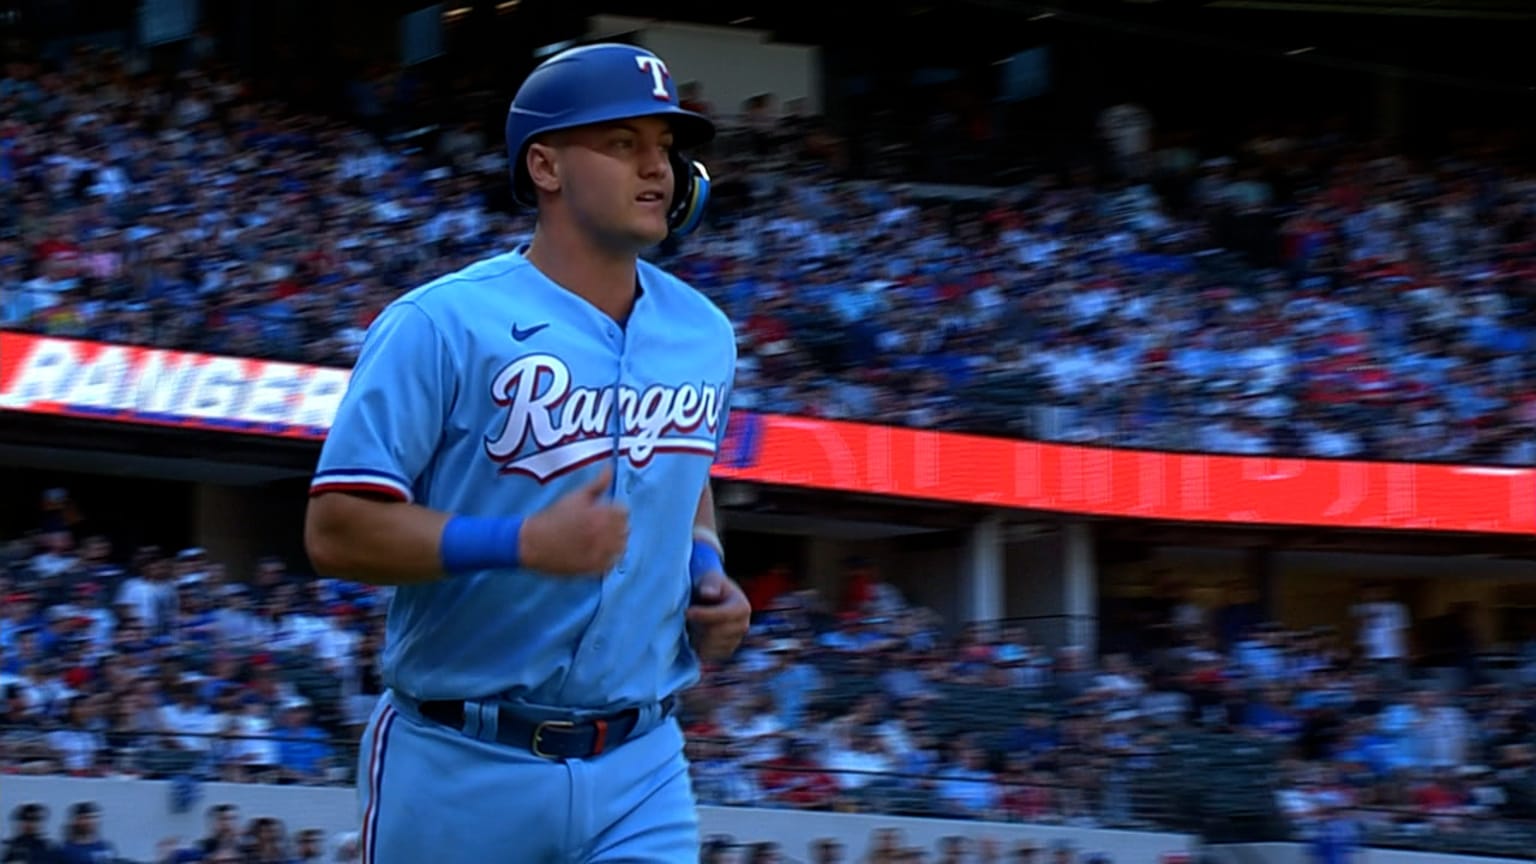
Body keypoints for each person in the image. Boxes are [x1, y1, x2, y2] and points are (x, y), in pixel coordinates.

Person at [303, 42, 749, 864]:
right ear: (544, 165)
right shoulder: (438, 324)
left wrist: (705, 568)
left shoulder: (705, 335)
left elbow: (682, 472)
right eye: (623, 144)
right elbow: (336, 530)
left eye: (665, 146)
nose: (658, 167)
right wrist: (520, 545)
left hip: (642, 763)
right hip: (458, 760)